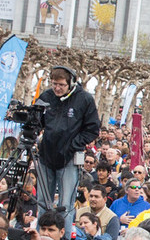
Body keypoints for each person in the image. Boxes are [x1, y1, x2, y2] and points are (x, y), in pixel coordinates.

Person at [32, 66, 101, 220]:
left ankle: (64, 234)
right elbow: (36, 121)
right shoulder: (46, 96)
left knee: (66, 203)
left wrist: (73, 145)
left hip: (69, 157)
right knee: (43, 202)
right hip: (46, 156)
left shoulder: (84, 99)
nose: (57, 88)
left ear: (71, 83)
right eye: (54, 84)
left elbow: (93, 129)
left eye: (62, 85)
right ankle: (42, 232)